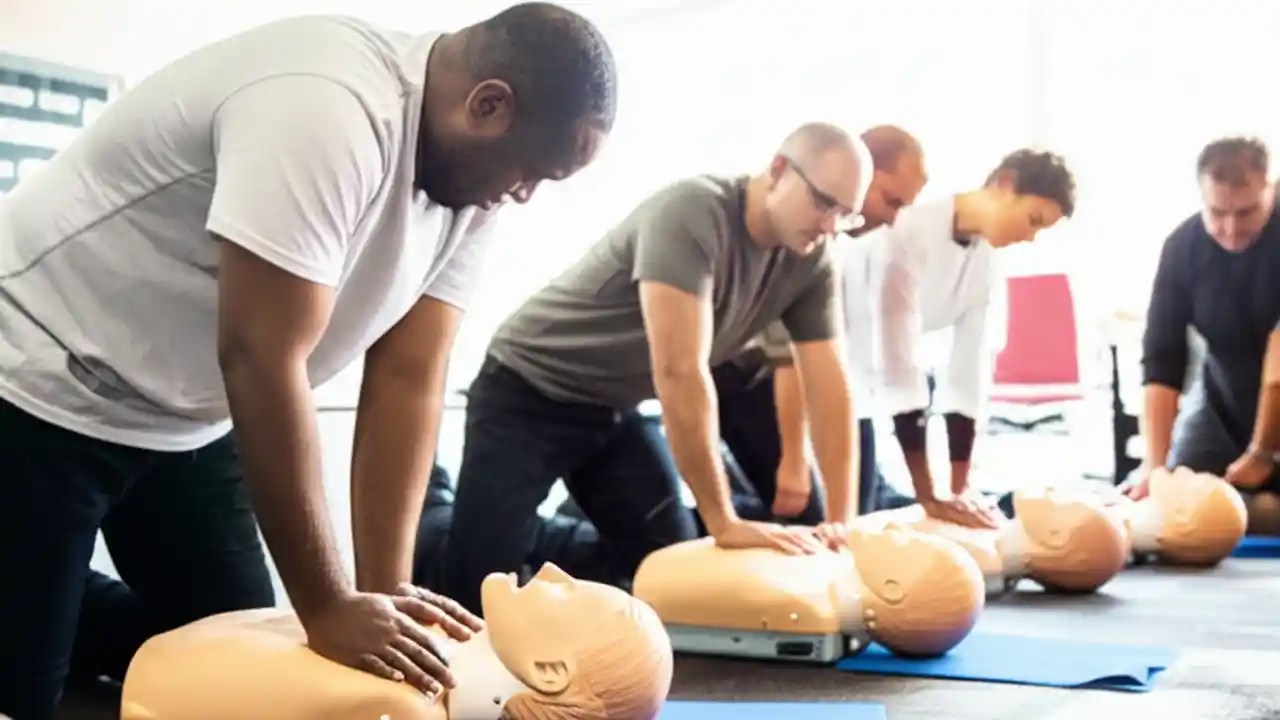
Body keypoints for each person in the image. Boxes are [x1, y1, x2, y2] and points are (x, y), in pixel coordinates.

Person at [0, 4, 617, 717]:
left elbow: (409, 377)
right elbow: (261, 355)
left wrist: (383, 589)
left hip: (187, 419)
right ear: (488, 104)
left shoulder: (471, 193)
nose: (523, 194)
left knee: (239, 670)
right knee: (22, 695)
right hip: (38, 382)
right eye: (530, 172)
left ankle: (51, 594)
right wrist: (326, 602)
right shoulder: (327, 103)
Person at [418, 122, 872, 615]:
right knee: (473, 591)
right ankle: (433, 503)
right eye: (824, 203)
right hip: (527, 389)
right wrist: (723, 522)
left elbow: (831, 388)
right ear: (780, 170)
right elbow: (680, 371)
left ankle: (546, 538)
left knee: (667, 567)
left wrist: (840, 524)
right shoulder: (694, 211)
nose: (830, 225)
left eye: (845, 215)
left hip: (612, 408)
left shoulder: (814, 259)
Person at [843, 148, 1076, 528]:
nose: (1030, 238)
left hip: (864, 387)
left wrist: (958, 490)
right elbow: (900, 364)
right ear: (1003, 185)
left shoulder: (984, 259)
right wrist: (928, 494)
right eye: (1032, 220)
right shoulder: (910, 227)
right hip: (820, 369)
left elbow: (968, 373)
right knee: (836, 516)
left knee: (876, 508)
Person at [711, 125, 929, 524]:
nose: (893, 217)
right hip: (746, 377)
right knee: (806, 514)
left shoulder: (842, 243)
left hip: (798, 382)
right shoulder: (799, 234)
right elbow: (788, 360)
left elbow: (834, 368)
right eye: (891, 200)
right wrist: (795, 460)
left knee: (855, 509)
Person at [1124, 137, 1280, 531]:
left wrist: (1263, 451)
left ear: (1269, 187)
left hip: (1274, 401)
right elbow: (1162, 361)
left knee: (1262, 515)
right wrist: (1154, 468)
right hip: (1221, 400)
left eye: (1246, 213)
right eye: (1217, 213)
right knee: (1175, 506)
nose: (1230, 230)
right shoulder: (1183, 247)